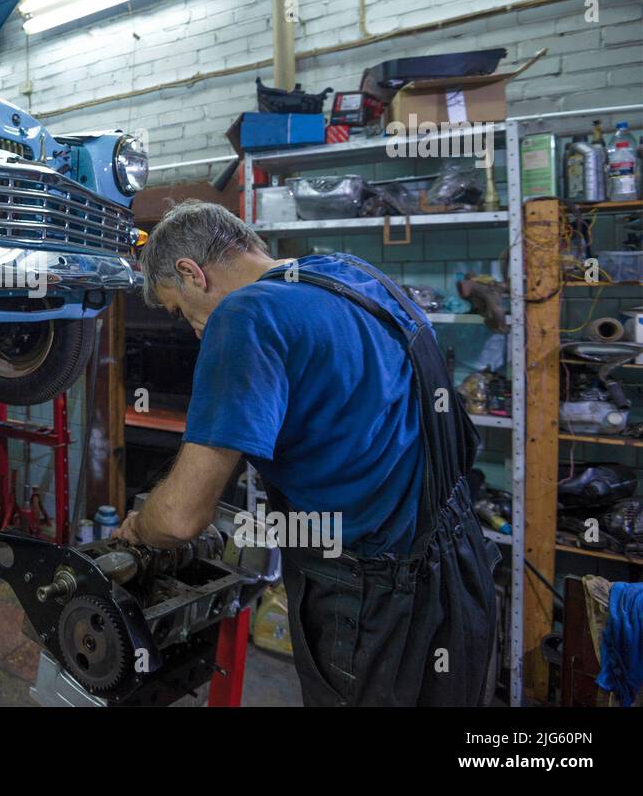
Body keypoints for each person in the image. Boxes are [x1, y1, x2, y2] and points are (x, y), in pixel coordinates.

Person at [117, 199, 500, 706]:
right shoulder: (351, 274)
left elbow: (183, 518)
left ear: (192, 273)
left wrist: (141, 527)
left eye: (180, 310)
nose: (193, 329)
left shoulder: (243, 316)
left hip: (374, 604)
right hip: (463, 564)